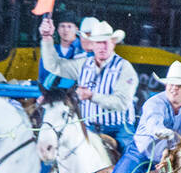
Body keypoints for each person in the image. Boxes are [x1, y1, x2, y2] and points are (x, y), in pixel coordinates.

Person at [39, 18, 139, 151]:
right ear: (93, 44)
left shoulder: (124, 68)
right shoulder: (83, 64)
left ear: (113, 43)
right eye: (98, 42)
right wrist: (47, 38)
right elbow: (53, 65)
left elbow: (121, 103)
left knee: (131, 158)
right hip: (87, 127)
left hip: (119, 129)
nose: (102, 47)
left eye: (105, 42)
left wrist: (92, 96)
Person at [38, 14, 88, 89]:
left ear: (76, 29)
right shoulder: (51, 50)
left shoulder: (83, 49)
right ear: (57, 29)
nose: (66, 30)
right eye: (62, 26)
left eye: (69, 26)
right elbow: (43, 76)